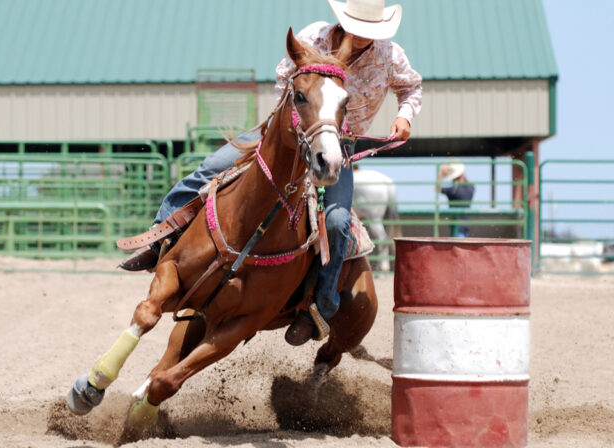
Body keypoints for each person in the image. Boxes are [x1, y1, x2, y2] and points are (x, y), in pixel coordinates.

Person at [121, 0, 422, 345]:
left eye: (370, 32)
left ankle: (322, 306)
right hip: (284, 133)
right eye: (359, 27)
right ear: (344, 21)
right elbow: (284, 76)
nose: (364, 37)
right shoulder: (314, 37)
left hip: (338, 146)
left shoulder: (390, 56)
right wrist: (288, 127)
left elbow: (412, 87)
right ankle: (159, 236)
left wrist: (405, 116)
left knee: (338, 223)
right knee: (210, 168)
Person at [437, 160, 475, 237]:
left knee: (456, 246)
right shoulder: (471, 188)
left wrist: (441, 174)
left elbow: (437, 188)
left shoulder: (454, 190)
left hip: (457, 225)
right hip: (466, 223)